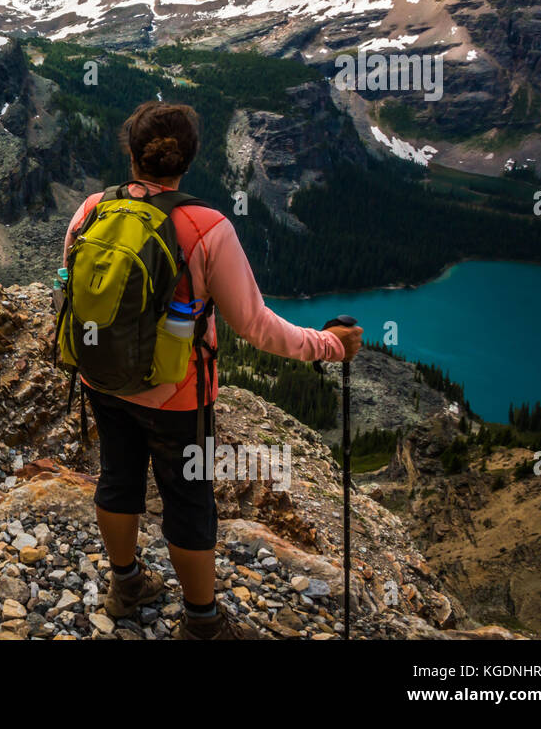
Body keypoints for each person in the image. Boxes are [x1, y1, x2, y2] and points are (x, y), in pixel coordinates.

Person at [63, 101, 362, 639]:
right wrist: (329, 346)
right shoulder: (206, 226)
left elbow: (73, 284)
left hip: (101, 378)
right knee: (188, 499)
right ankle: (202, 623)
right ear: (189, 160)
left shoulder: (90, 209)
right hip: (177, 397)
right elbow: (255, 325)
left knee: (117, 476)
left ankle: (125, 584)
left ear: (131, 153)